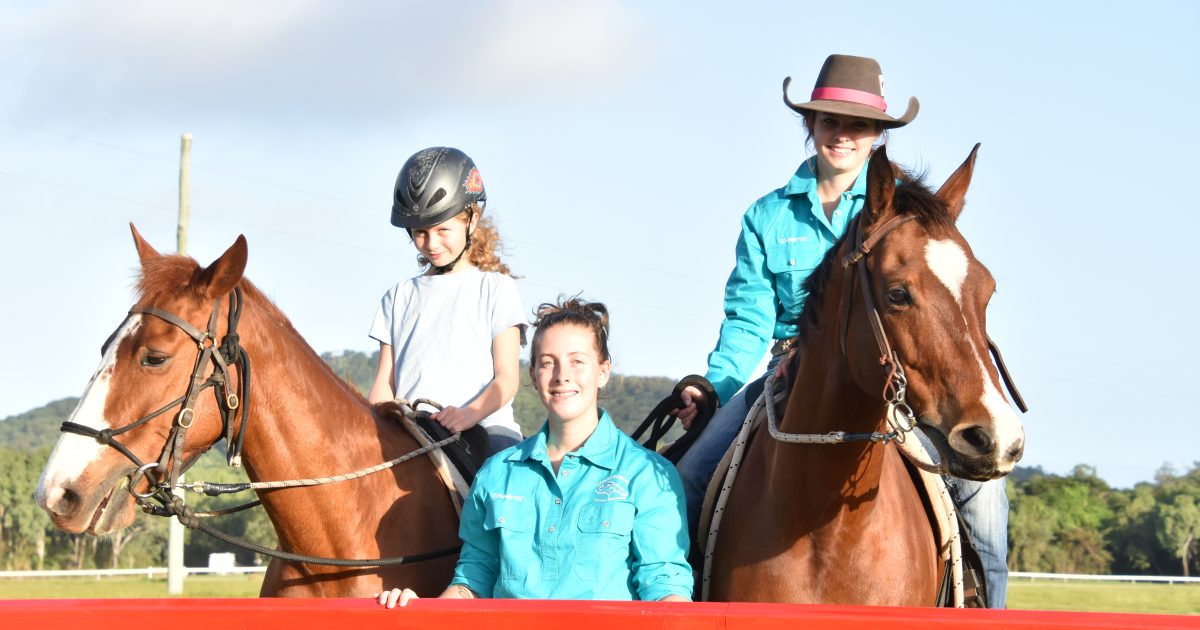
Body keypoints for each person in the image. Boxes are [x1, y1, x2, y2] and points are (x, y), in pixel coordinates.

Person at [671, 54, 1012, 607]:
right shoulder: (768, 216)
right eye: (829, 121)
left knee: (985, 501)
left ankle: (990, 616)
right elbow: (748, 318)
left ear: (878, 134)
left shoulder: (906, 213)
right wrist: (714, 388)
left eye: (857, 124)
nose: (842, 135)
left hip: (887, 383)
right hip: (786, 379)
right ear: (811, 126)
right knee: (683, 481)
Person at [377, 297, 693, 607]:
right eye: (547, 362)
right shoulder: (496, 473)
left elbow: (665, 585)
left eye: (577, 361)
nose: (561, 375)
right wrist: (416, 610)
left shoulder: (648, 474)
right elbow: (474, 580)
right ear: (533, 374)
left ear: (603, 371)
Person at [367, 146, 525, 455]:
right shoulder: (397, 296)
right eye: (421, 232)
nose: (432, 243)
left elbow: (507, 378)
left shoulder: (496, 289)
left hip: (485, 427)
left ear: (472, 221)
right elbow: (383, 384)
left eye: (443, 230)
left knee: (504, 491)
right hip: (414, 429)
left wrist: (469, 414)